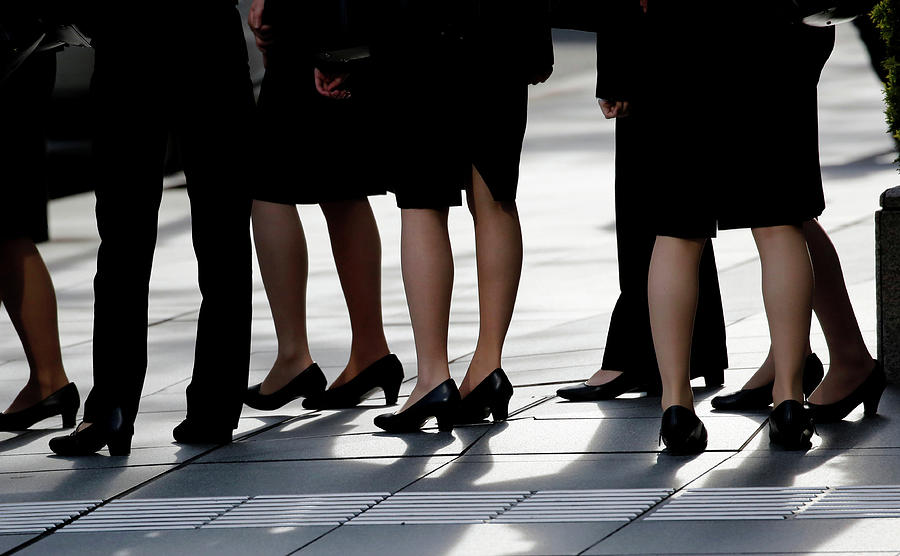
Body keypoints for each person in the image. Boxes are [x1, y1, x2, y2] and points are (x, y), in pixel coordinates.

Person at [49, 1, 255, 456]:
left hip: (128, 33)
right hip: (207, 33)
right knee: (223, 232)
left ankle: (111, 410)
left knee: (123, 237)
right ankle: (215, 408)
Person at [644, 0, 844, 453]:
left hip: (682, 30)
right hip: (776, 21)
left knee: (677, 230)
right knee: (779, 222)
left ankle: (675, 406)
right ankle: (789, 400)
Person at [369, 0, 554, 432]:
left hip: (416, 27)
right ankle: (488, 364)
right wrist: (535, 35)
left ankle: (433, 374)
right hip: (499, 21)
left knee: (422, 201)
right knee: (494, 195)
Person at [550, 1, 729, 403]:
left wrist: (616, 72)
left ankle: (638, 355)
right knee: (685, 206)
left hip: (655, 40)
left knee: (652, 203)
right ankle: (701, 347)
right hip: (713, 35)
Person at [242, 0, 403, 413]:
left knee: (268, 182)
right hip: (335, 19)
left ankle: (296, 355)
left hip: (314, 17)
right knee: (341, 182)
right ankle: (370, 350)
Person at [0, 43, 79, 432]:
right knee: (7, 226)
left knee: (6, 224)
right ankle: (48, 379)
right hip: (22, 49)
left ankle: (49, 378)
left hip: (11, 51)